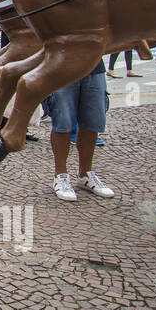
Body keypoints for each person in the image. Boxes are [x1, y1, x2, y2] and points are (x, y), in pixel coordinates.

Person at [44, 57, 115, 203]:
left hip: (94, 66)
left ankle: (85, 174)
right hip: (61, 67)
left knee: (92, 121)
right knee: (62, 122)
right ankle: (60, 175)